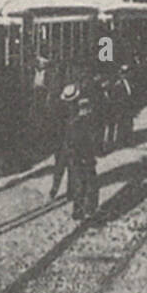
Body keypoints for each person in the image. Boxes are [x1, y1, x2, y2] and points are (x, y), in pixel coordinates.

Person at [67, 89, 101, 220]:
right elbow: (85, 140)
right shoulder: (79, 121)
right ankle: (89, 210)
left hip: (75, 156)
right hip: (83, 156)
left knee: (79, 183)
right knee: (90, 183)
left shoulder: (72, 119)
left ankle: (78, 210)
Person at [49, 83, 78, 199]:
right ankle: (66, 191)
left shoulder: (61, 109)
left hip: (63, 143)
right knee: (68, 168)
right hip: (67, 143)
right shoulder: (74, 110)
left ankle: (56, 190)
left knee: (61, 168)